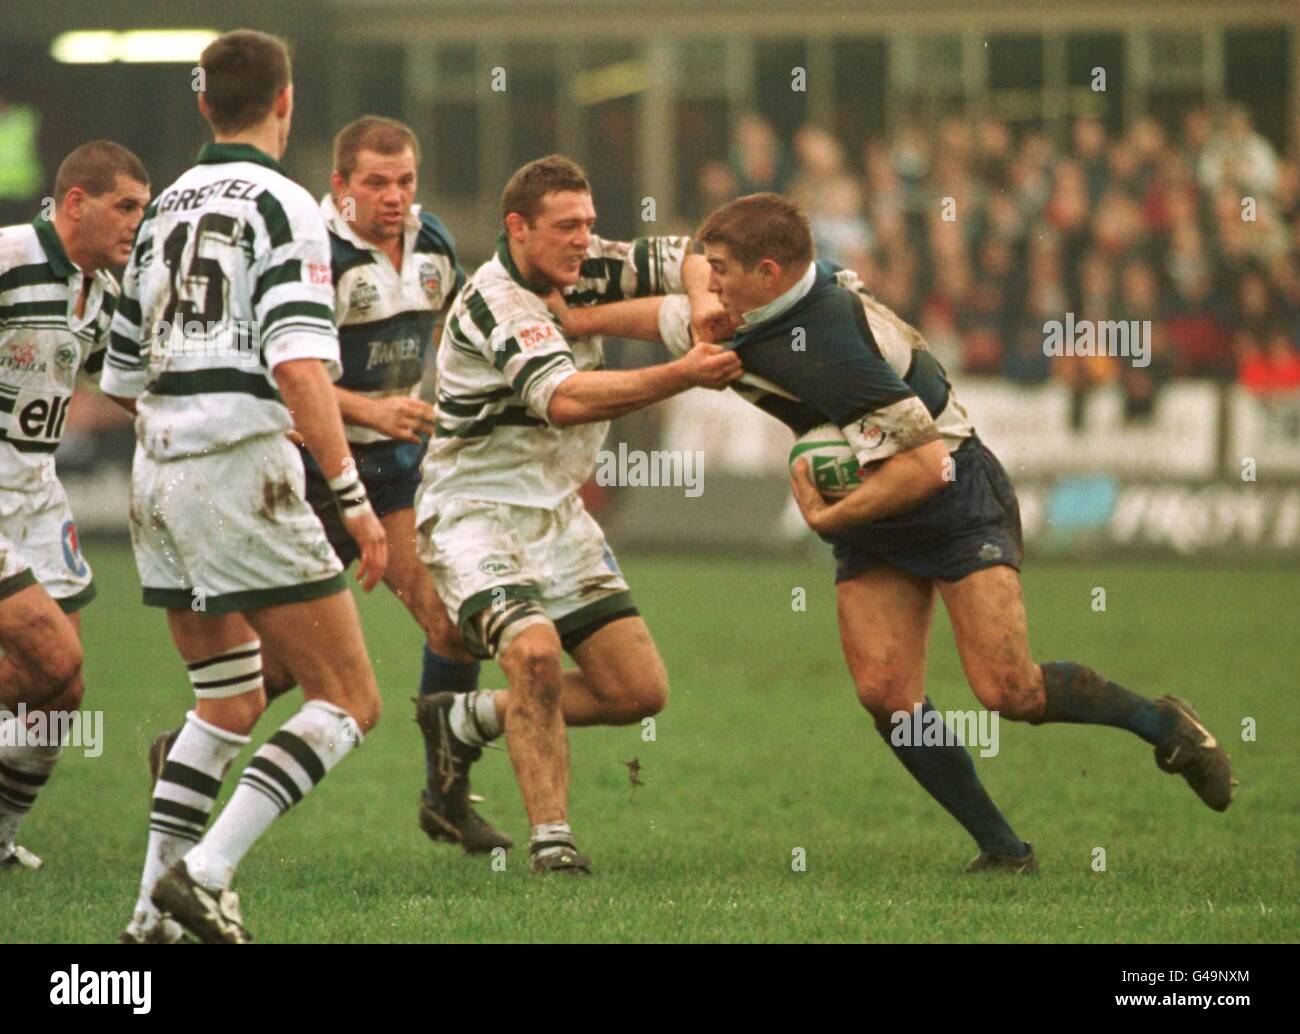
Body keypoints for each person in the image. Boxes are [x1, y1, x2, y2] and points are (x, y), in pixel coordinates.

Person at [551, 193, 1236, 872]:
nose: (708, 279)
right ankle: (1003, 849)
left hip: (950, 494)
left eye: (721, 267)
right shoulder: (760, 305)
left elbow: (928, 464)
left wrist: (825, 518)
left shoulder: (829, 346)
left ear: (769, 272)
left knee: (1008, 691)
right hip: (877, 498)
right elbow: (671, 314)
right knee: (886, 692)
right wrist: (575, 318)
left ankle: (1164, 725)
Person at [141, 115, 511, 854]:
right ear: (339, 185)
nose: (394, 197)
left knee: (450, 622)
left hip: (395, 476)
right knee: (274, 668)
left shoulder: (434, 245)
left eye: (405, 181)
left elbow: (461, 331)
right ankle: (181, 749)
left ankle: (446, 795)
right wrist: (370, 407)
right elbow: (288, 371)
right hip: (304, 475)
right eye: (375, 182)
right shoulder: (312, 249)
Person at [104, 29, 388, 944]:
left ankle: (148, 924)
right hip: (238, 467)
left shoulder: (159, 208)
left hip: (156, 476)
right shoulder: (287, 204)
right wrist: (350, 498)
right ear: (287, 101)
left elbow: (115, 376)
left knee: (227, 700)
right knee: (348, 698)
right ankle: (210, 871)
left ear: (201, 105)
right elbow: (301, 365)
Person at [413, 154, 741, 874]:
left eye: (589, 224)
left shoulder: (585, 266)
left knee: (638, 692)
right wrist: (682, 373)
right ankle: (551, 841)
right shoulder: (493, 300)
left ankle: (465, 717)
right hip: (473, 512)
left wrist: (703, 301)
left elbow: (689, 253)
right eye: (567, 227)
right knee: (531, 654)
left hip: (557, 517)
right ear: (517, 229)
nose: (583, 240)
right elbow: (561, 399)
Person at [0, 140, 149, 870]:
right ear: (74, 203)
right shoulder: (7, 256)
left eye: (143, 210)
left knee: (61, 685)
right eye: (125, 206)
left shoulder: (103, 294)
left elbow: (122, 387)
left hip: (34, 493)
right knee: (48, 654)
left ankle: (0, 836)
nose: (135, 224)